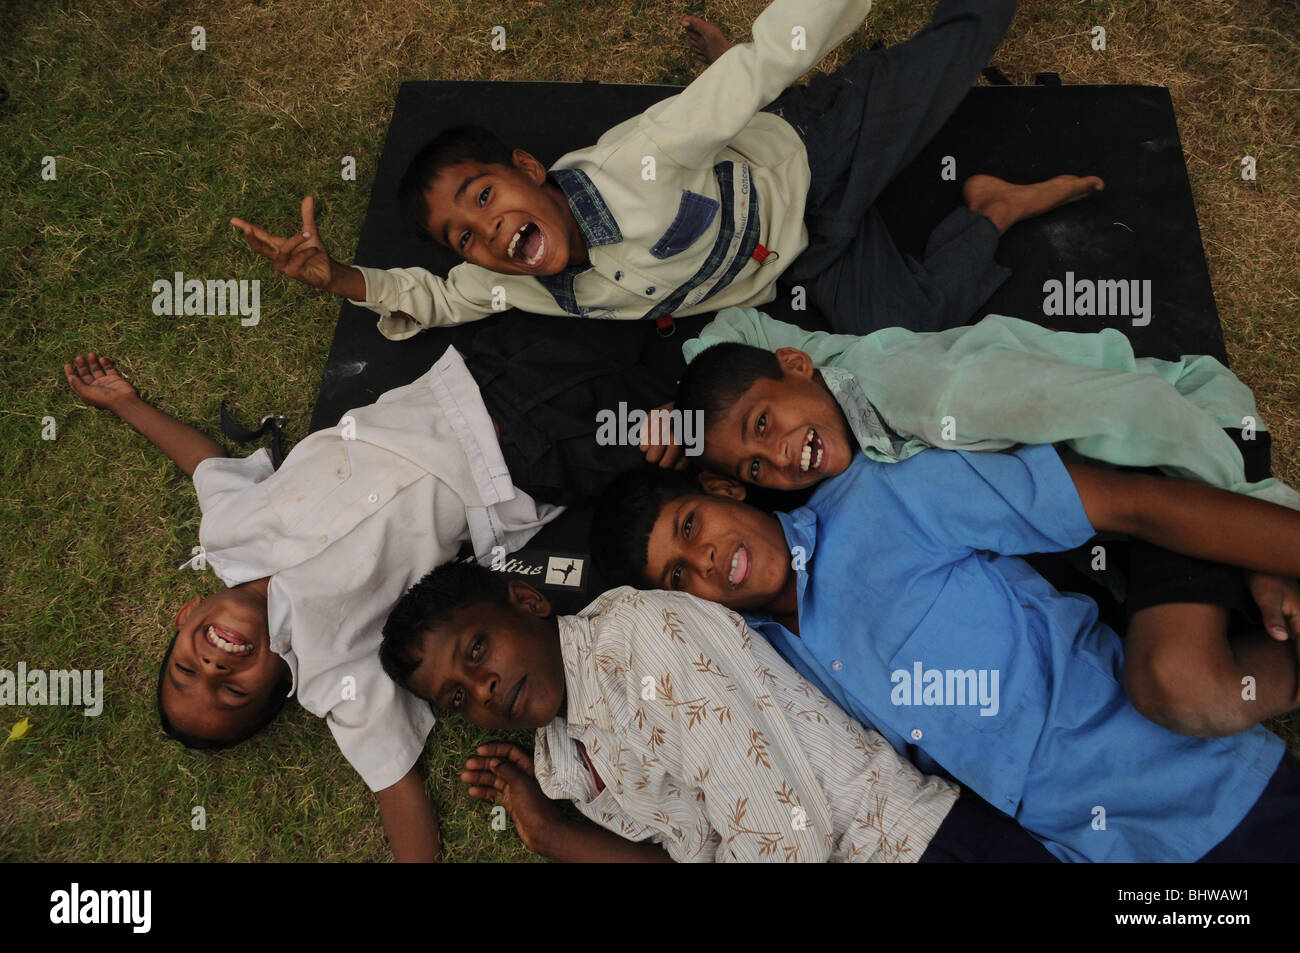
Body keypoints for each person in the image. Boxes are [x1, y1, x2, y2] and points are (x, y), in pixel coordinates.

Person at [588, 446, 1300, 861]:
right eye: (679, 576)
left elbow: (1123, 503)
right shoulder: (758, 667)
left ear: (720, 488)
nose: (705, 558)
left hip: (1199, 785)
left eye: (691, 524)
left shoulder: (883, 499)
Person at [232, 0, 1101, 339]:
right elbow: (429, 297)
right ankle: (988, 208)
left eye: (485, 195)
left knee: (960, 51)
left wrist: (754, 85)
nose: (486, 231)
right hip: (808, 254)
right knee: (921, 323)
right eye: (465, 235)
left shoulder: (635, 160)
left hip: (817, 150)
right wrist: (338, 276)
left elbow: (763, 60)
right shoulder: (525, 284)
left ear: (531, 170)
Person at [63, 348, 560, 861]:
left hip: (452, 391)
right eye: (232, 691)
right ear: (282, 685)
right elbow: (394, 786)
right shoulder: (333, 674)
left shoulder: (223, 532)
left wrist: (125, 403)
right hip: (511, 471)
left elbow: (203, 463)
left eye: (187, 670)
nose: (212, 666)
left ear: (186, 614)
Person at [379, 562, 1060, 862]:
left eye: (477, 649)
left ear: (527, 603)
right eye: (459, 698)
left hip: (906, 847)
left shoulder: (638, 637)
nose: (487, 686)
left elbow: (783, 835)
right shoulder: (563, 758)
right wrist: (546, 828)